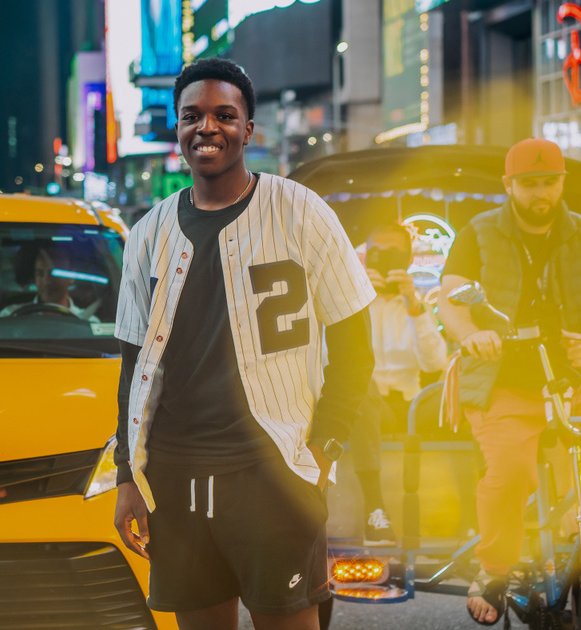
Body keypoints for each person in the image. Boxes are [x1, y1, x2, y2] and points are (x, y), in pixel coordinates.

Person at [112, 58, 376, 630]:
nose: (206, 127)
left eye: (224, 115)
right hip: (176, 478)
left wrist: (323, 451)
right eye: (192, 116)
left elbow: (356, 347)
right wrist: (128, 475)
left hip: (272, 475)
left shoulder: (300, 211)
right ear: (177, 127)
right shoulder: (149, 233)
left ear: (248, 128)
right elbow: (134, 366)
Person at [437, 138, 581, 625]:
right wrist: (472, 335)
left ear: (561, 183)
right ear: (509, 185)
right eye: (529, 184)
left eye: (549, 182)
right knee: (510, 472)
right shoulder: (478, 232)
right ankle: (494, 570)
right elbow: (450, 299)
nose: (541, 192)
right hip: (503, 380)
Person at [354, 224, 448, 546]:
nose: (385, 260)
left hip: (412, 405)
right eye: (378, 253)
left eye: (394, 254)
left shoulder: (417, 305)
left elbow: (434, 363)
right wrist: (359, 302)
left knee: (463, 387)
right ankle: (374, 507)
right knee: (359, 386)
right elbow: (331, 361)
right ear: (366, 258)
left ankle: (471, 517)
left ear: (408, 259)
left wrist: (414, 306)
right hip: (368, 406)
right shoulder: (350, 301)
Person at [0, 244, 99, 321]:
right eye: (40, 274)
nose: (46, 281)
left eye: (54, 274)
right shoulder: (10, 316)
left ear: (71, 277)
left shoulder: (88, 323)